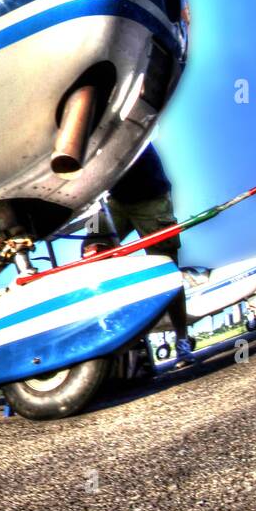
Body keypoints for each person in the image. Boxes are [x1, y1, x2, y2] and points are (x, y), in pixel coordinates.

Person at [87, 144, 193, 365]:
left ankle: (182, 341)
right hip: (115, 200)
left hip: (152, 195)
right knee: (91, 246)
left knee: (167, 270)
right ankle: (115, 336)